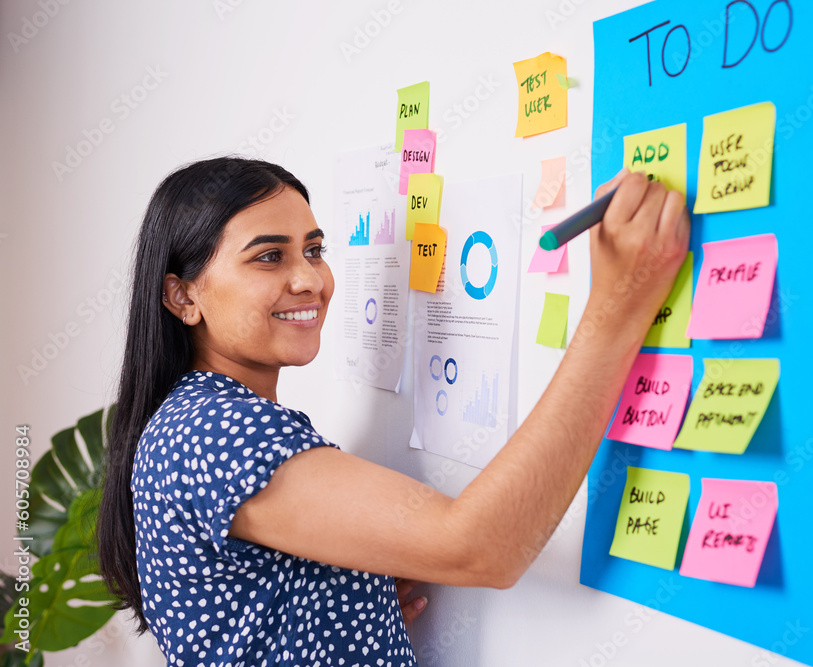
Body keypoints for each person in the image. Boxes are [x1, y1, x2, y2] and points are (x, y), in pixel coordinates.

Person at [97, 156, 690, 666]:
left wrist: (343, 605)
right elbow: (485, 547)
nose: (310, 280)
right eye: (268, 258)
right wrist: (617, 305)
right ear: (182, 296)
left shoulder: (203, 415)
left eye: (313, 249)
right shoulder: (217, 431)